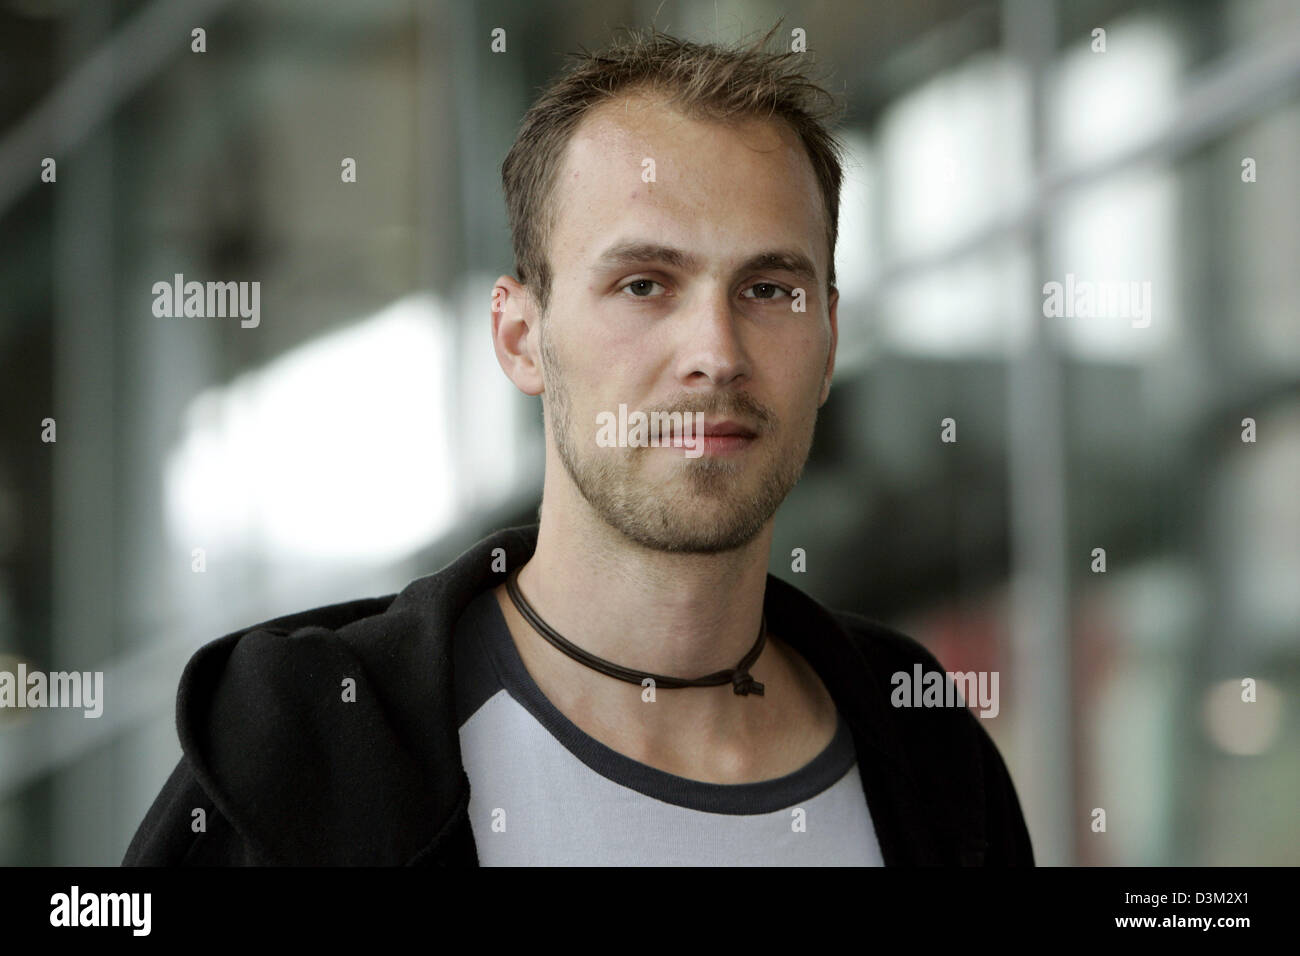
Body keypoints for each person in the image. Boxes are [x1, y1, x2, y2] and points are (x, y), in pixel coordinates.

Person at [123, 24, 1033, 866]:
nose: (715, 354)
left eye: (768, 290)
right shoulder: (314, 751)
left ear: (830, 343)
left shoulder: (925, 752)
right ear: (521, 338)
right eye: (644, 284)